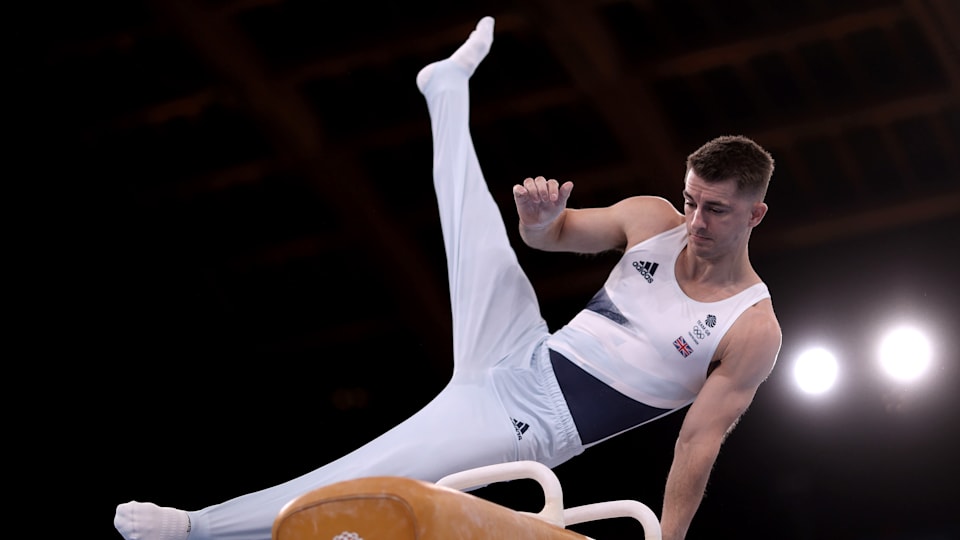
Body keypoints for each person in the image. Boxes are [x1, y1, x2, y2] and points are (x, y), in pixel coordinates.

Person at [115, 15, 780, 540]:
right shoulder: (652, 220)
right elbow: (550, 237)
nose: (695, 218)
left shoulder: (750, 329)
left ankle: (198, 526)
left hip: (526, 420)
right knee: (478, 231)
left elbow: (696, 443)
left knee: (373, 470)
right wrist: (540, 221)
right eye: (692, 199)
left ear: (756, 214)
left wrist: (667, 539)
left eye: (715, 209)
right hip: (524, 348)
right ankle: (446, 89)